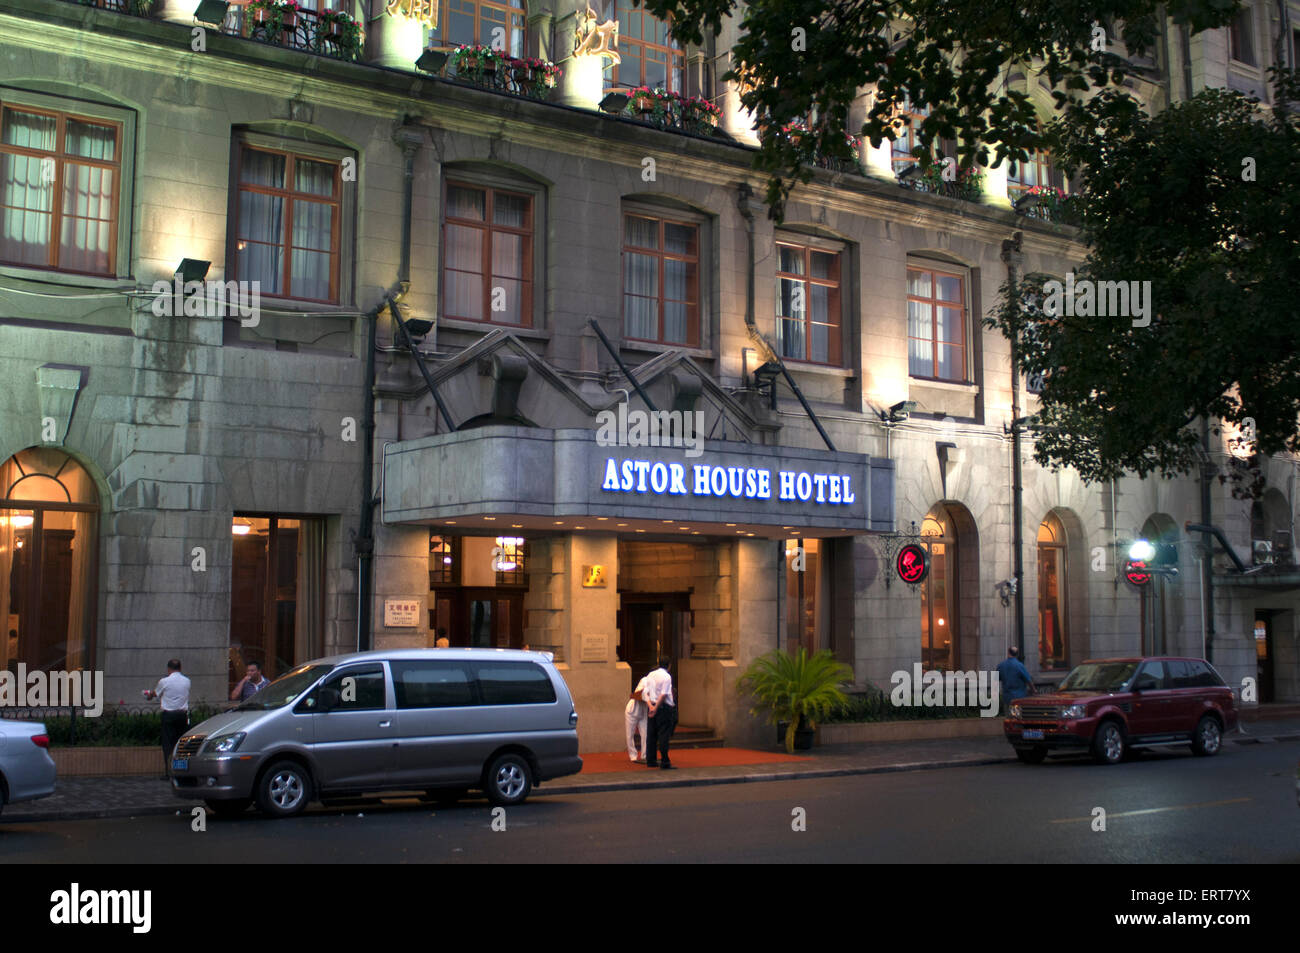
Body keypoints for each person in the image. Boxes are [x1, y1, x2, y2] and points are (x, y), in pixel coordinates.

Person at [143, 658, 191, 781]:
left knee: (168, 744)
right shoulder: (187, 681)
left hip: (169, 716)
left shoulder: (164, 681)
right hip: (182, 715)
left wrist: (148, 695)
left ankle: (169, 772)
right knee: (181, 744)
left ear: (169, 669)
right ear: (180, 668)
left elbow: (154, 694)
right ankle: (181, 771)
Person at [643, 656, 677, 770]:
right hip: (663, 708)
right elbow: (663, 695)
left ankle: (651, 760)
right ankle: (664, 761)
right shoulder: (667, 677)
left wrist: (650, 707)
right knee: (664, 734)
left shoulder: (651, 675)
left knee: (651, 734)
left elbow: (645, 692)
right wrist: (656, 708)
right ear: (669, 665)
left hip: (652, 706)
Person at [996, 646, 1035, 713]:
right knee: (1017, 717)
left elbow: (996, 679)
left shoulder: (1000, 665)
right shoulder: (1019, 665)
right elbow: (1028, 680)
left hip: (1007, 697)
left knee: (1008, 717)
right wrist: (1033, 690)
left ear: (1008, 652)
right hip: (1019, 697)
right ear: (1017, 654)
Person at [625, 674, 649, 763]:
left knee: (645, 734)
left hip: (643, 712)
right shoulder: (644, 680)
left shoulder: (656, 683)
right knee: (629, 734)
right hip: (632, 711)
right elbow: (638, 694)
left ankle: (644, 755)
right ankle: (633, 755)